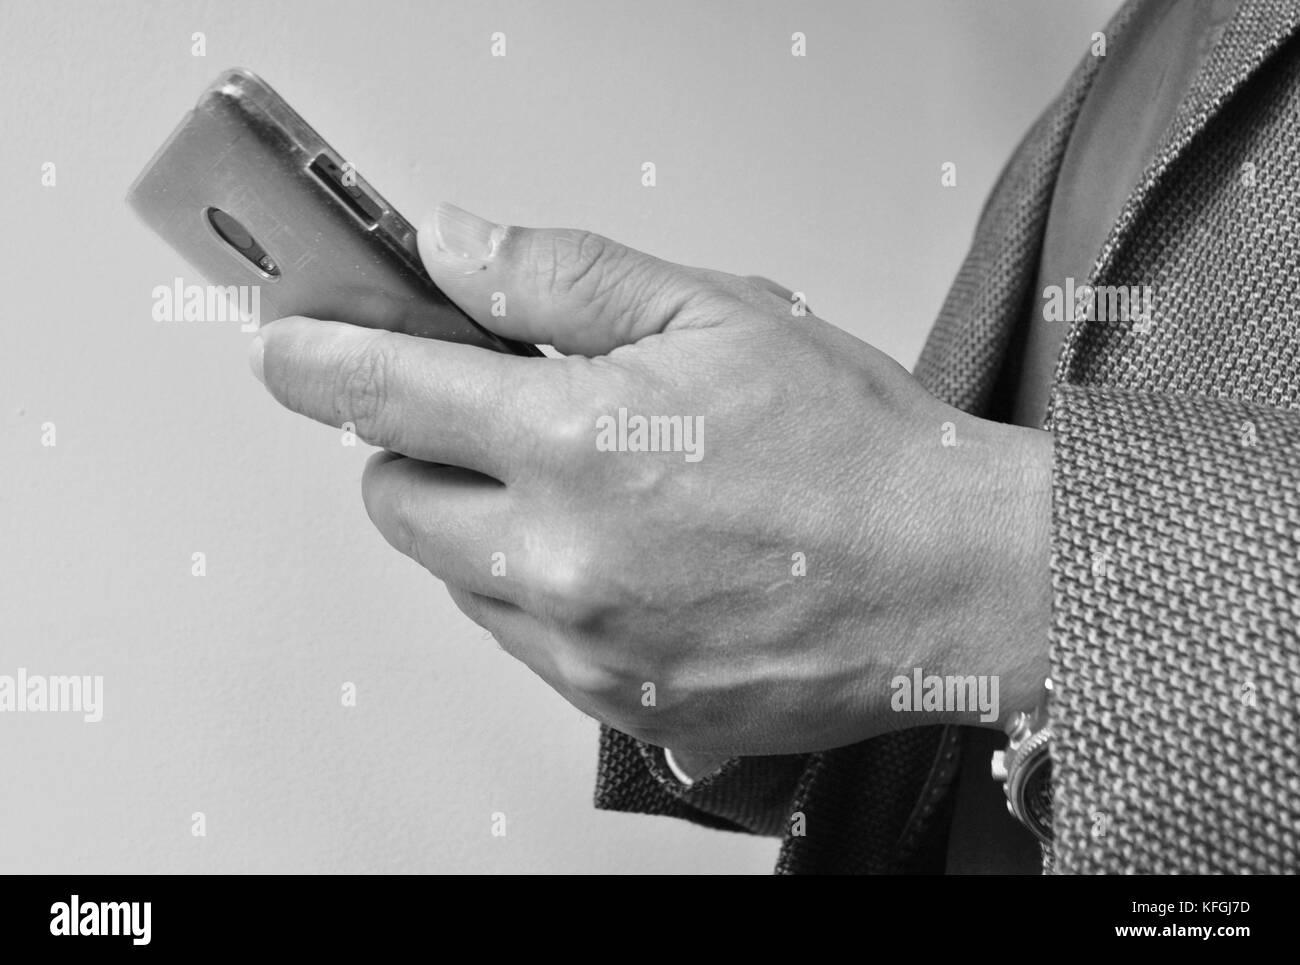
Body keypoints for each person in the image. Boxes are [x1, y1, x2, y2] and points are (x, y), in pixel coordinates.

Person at [248, 0, 1300, 873]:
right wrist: (721, 619)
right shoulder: (1130, 59)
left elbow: (955, 575)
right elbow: (947, 686)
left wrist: (990, 569)